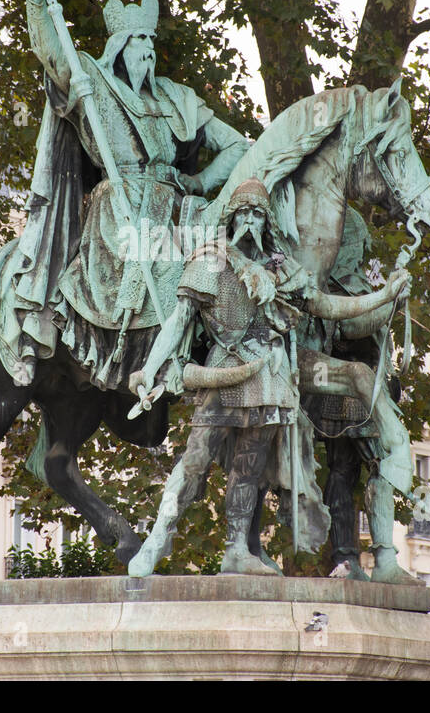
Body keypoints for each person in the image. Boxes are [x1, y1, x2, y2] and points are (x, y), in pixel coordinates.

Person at [126, 179, 410, 576]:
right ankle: (157, 539)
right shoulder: (211, 259)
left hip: (271, 380)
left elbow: (327, 306)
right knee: (193, 461)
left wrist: (385, 296)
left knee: (248, 470)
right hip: (223, 373)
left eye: (256, 213)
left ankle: (237, 550)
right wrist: (150, 367)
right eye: (242, 212)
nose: (248, 220)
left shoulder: (283, 268)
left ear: (265, 221)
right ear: (231, 218)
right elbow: (179, 321)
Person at [0, 0, 250, 390]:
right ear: (119, 43)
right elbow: (55, 57)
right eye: (138, 38)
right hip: (120, 211)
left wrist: (201, 182)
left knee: (228, 259)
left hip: (176, 208)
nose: (148, 47)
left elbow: (239, 145)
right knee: (152, 251)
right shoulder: (91, 78)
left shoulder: (176, 96)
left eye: (151, 38)